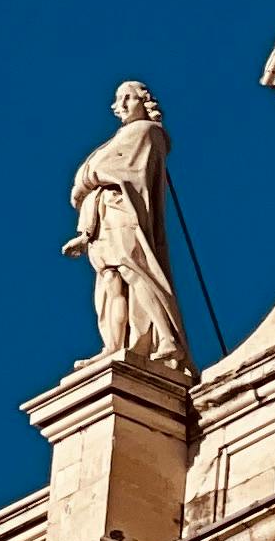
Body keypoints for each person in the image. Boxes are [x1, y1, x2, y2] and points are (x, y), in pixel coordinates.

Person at [64, 82, 190, 371]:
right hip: (102, 219)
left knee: (133, 270)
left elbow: (111, 169)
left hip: (123, 212)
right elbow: (96, 171)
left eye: (127, 97)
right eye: (118, 99)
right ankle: (114, 345)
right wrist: (85, 232)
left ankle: (167, 338)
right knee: (110, 279)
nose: (120, 104)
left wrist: (84, 179)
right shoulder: (124, 135)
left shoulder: (147, 132)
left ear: (144, 101)